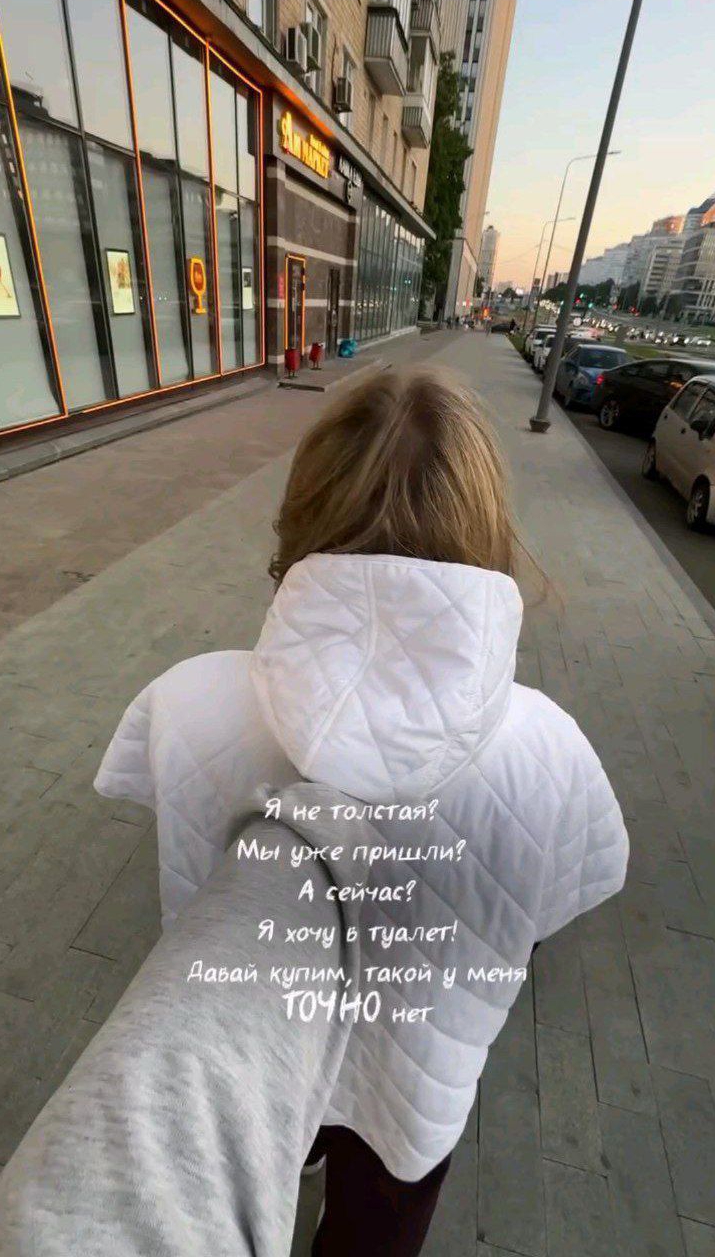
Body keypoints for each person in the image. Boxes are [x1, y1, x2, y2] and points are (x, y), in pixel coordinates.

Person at [92, 368, 629, 1256]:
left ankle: (299, 1156)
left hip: (248, 1054)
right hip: (418, 1083)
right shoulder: (555, 751)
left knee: (280, 1139)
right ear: (488, 528)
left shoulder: (183, 701)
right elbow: (553, 906)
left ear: (299, 511)